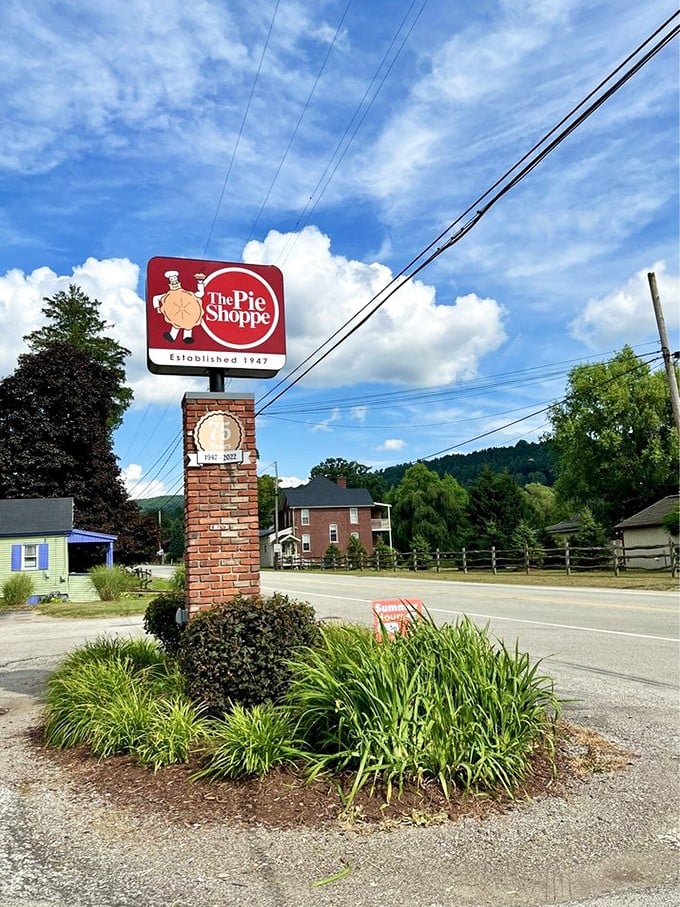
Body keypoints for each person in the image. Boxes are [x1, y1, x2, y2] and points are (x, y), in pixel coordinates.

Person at [152, 270, 206, 344]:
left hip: (189, 315)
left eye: (175, 280)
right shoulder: (167, 295)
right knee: (176, 325)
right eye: (172, 280)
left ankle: (187, 337)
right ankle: (172, 336)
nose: (174, 282)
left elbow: (201, 293)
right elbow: (155, 298)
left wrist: (200, 282)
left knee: (188, 325)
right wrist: (157, 307)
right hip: (175, 314)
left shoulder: (187, 294)